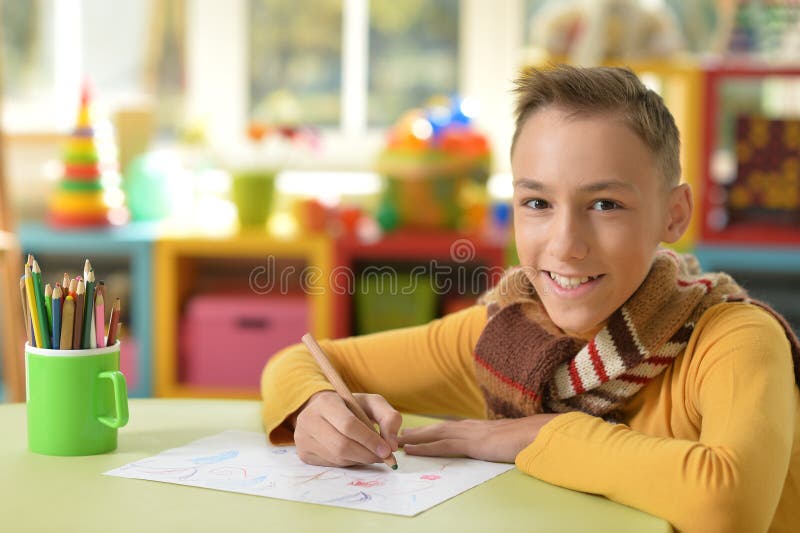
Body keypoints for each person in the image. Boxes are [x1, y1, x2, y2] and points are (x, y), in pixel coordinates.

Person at [261, 65, 799, 533]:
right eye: (537, 201)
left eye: (606, 204)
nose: (565, 244)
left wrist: (536, 434)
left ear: (674, 215)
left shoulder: (734, 339)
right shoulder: (505, 336)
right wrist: (315, 408)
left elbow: (732, 506)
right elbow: (301, 360)